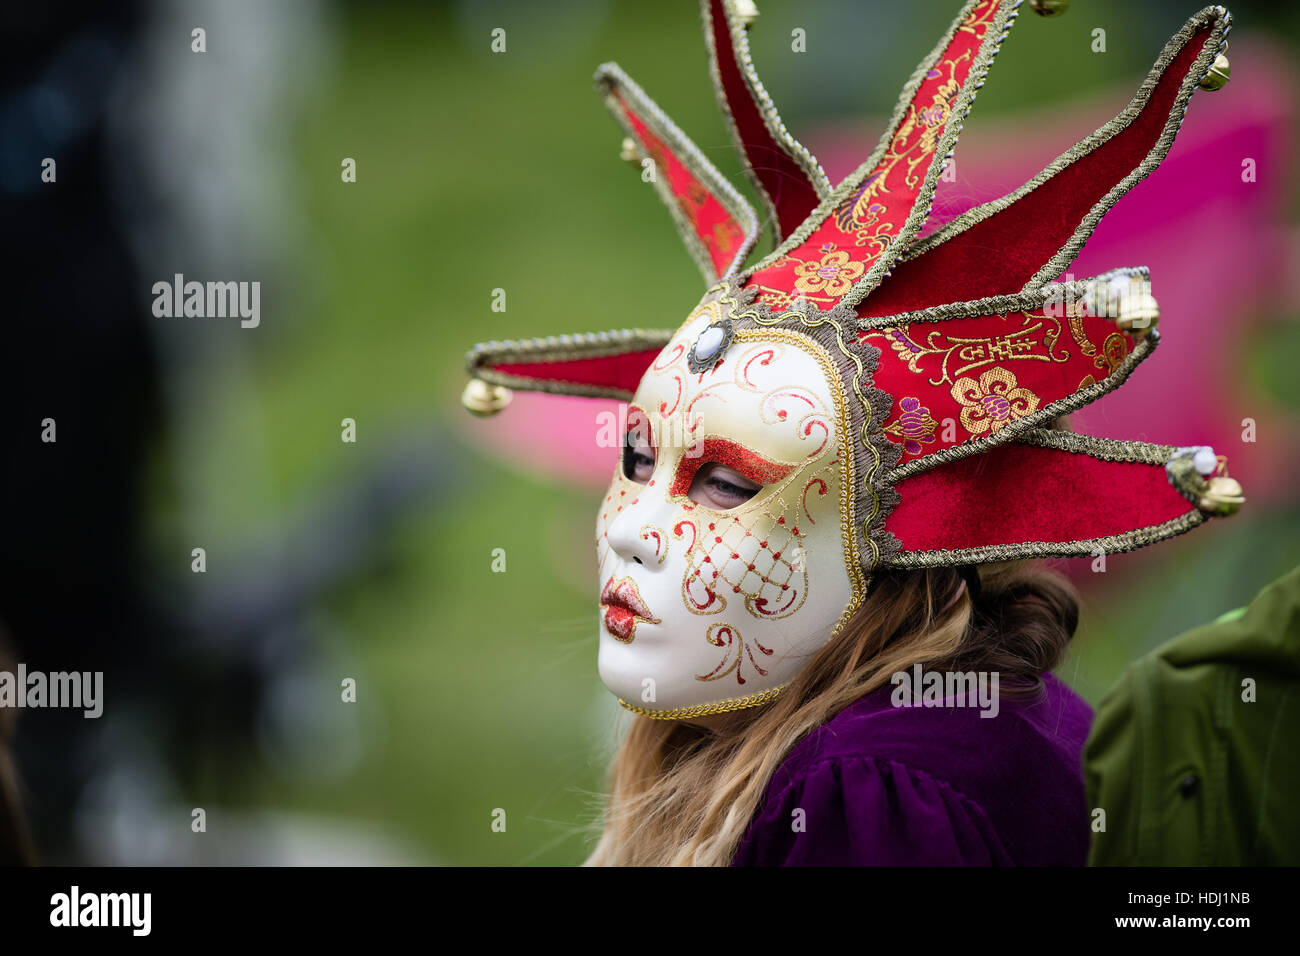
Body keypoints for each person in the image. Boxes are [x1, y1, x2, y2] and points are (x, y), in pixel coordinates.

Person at [461, 0, 1242, 865]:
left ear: (901, 527)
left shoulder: (869, 796)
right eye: (637, 458)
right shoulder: (922, 715)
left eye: (727, 481)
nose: (628, 530)